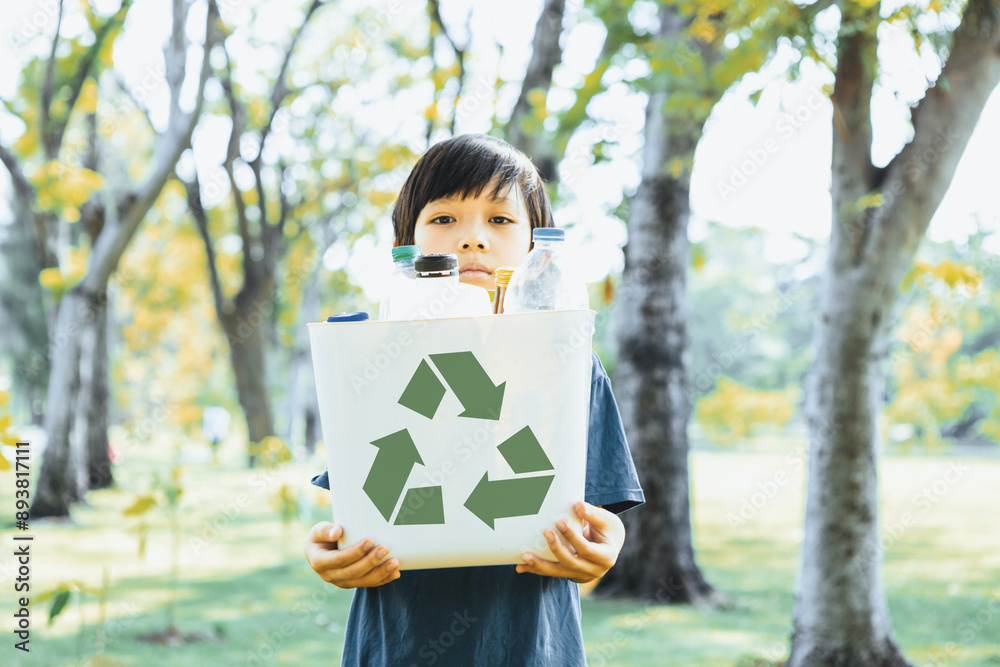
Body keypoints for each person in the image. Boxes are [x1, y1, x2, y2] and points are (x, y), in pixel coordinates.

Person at [303, 133, 645, 666]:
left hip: (531, 644)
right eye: (443, 220)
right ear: (407, 244)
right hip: (398, 642)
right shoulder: (372, 358)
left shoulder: (567, 361)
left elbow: (595, 510)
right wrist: (326, 552)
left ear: (537, 245)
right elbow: (358, 508)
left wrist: (606, 546)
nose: (472, 239)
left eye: (501, 220)